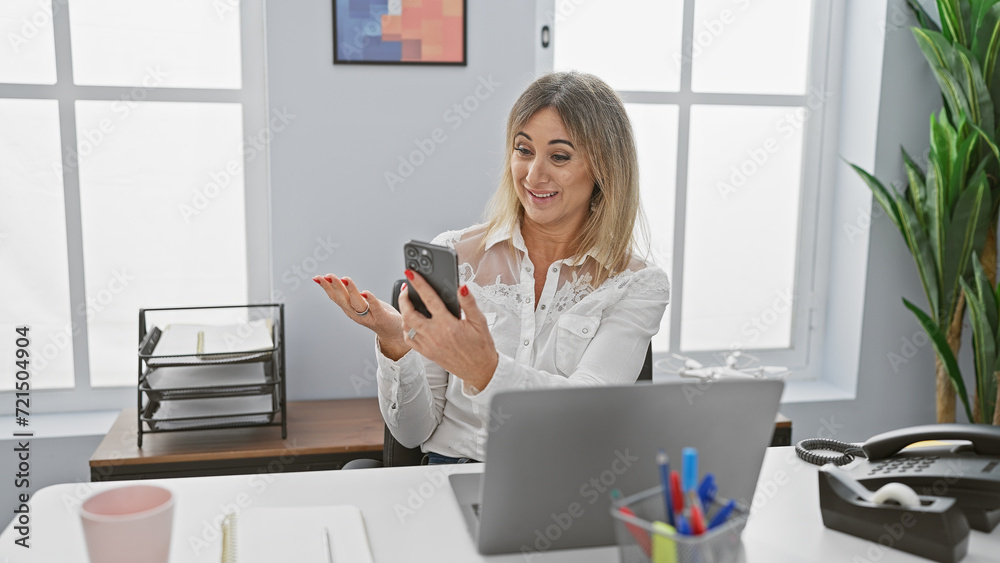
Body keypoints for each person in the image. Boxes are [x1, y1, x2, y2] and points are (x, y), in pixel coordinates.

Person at [314, 71, 670, 464]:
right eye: (523, 150)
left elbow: (585, 415)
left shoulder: (637, 284)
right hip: (448, 477)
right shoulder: (455, 254)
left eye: (560, 156)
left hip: (561, 485)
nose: (533, 175)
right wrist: (395, 341)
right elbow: (414, 432)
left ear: (604, 167)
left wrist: (486, 369)